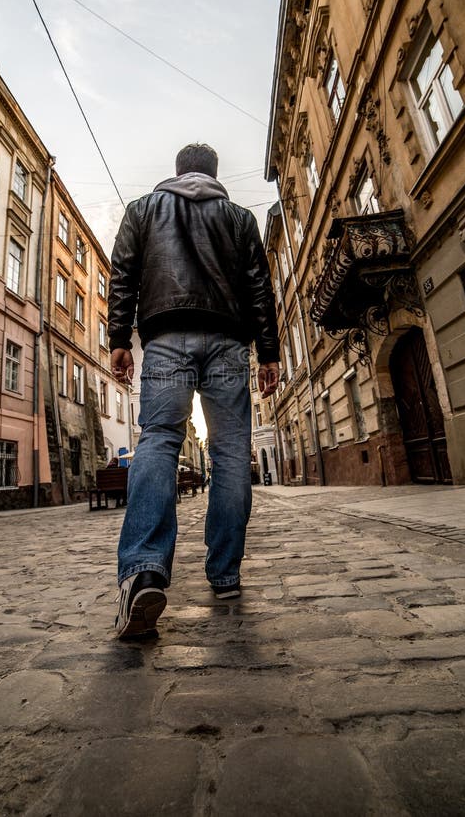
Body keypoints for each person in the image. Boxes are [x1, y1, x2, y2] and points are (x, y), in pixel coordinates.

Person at [108, 143, 279, 638]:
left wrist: (120, 339)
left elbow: (124, 275)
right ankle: (225, 572)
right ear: (215, 174)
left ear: (178, 172)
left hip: (164, 340)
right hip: (228, 343)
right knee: (230, 453)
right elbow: (259, 289)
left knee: (158, 440)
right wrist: (268, 352)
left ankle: (143, 571)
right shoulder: (239, 219)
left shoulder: (143, 209)